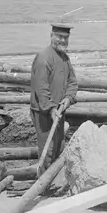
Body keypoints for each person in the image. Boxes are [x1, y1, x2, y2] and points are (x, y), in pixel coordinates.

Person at [28, 23, 78, 162]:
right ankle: (43, 180)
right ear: (51, 36)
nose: (63, 41)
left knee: (59, 147)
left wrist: (68, 98)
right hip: (43, 112)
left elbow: (72, 82)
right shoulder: (43, 58)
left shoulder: (64, 58)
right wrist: (50, 109)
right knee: (47, 150)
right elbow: (41, 89)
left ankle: (54, 181)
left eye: (66, 38)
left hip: (59, 110)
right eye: (59, 37)